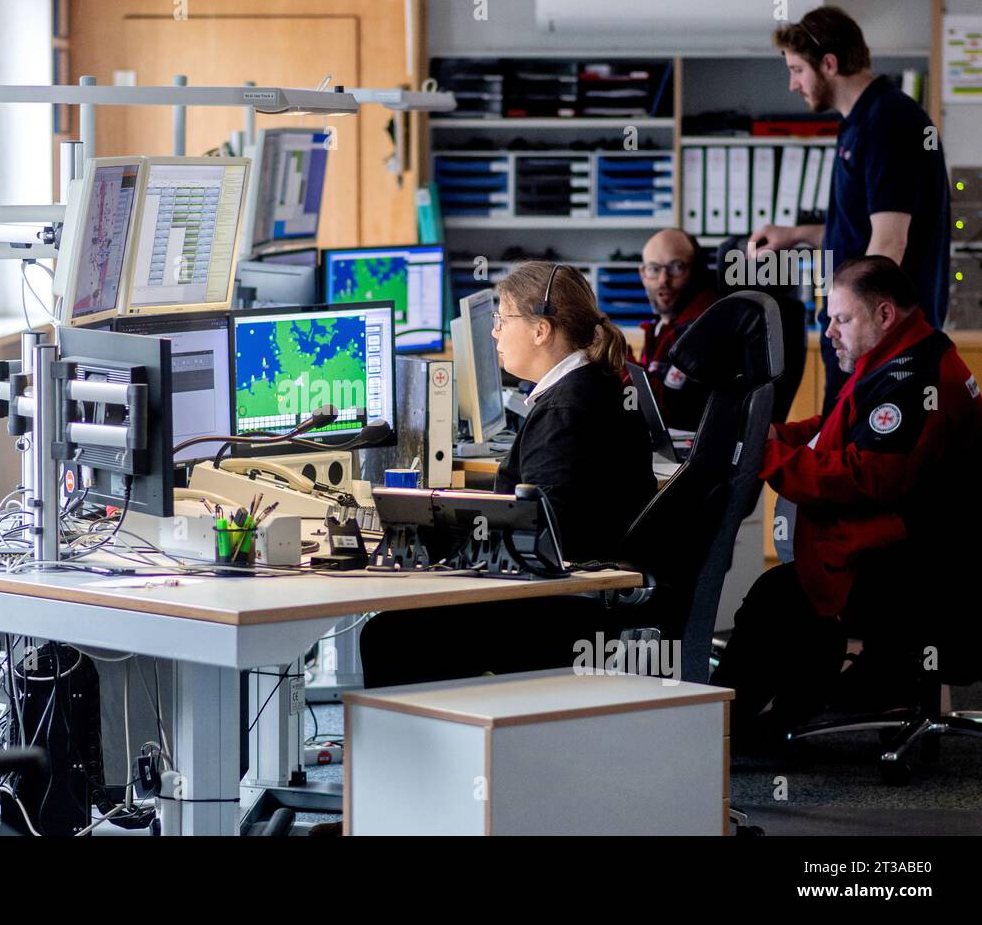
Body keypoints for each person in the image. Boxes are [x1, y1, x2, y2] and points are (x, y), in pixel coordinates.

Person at [710, 257, 982, 742]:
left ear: (883, 314)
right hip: (913, 556)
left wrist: (766, 455)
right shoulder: (901, 357)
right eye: (828, 318)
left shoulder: (912, 378)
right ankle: (795, 711)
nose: (829, 331)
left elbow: (864, 477)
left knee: (777, 597)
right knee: (788, 593)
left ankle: (715, 736)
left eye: (842, 318)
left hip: (914, 572)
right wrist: (772, 433)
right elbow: (835, 430)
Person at [359, 262, 657, 688]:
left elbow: (545, 533)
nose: (495, 332)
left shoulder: (564, 411)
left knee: (391, 636)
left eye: (502, 319)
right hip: (584, 593)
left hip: (567, 610)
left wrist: (439, 531)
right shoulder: (593, 385)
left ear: (541, 330)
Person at [748, 6, 949, 418]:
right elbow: (861, 230)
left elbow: (889, 244)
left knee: (857, 469)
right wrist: (796, 234)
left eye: (797, 70)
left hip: (877, 344)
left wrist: (848, 327)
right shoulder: (859, 122)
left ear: (829, 63)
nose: (792, 85)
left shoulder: (888, 123)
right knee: (835, 460)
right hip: (858, 335)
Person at [637, 228, 717, 431]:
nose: (663, 279)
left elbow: (668, 410)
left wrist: (618, 361)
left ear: (696, 270)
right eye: (654, 269)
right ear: (642, 274)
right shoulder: (660, 327)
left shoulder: (705, 326)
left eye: (676, 267)